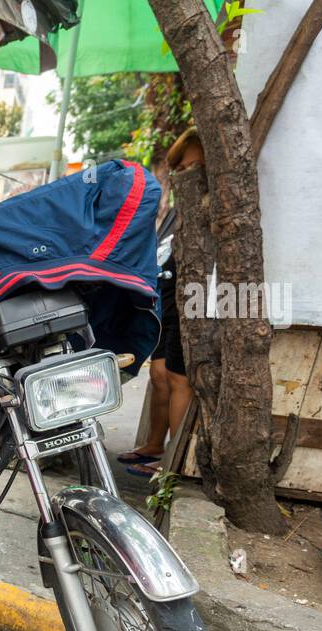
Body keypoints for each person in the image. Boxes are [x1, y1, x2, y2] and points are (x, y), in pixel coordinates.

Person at [119, 128, 202, 478]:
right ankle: (154, 444)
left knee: (179, 379)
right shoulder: (176, 209)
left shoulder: (207, 208)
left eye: (193, 166)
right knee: (158, 373)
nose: (185, 174)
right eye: (181, 168)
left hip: (191, 305)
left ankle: (172, 460)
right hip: (166, 301)